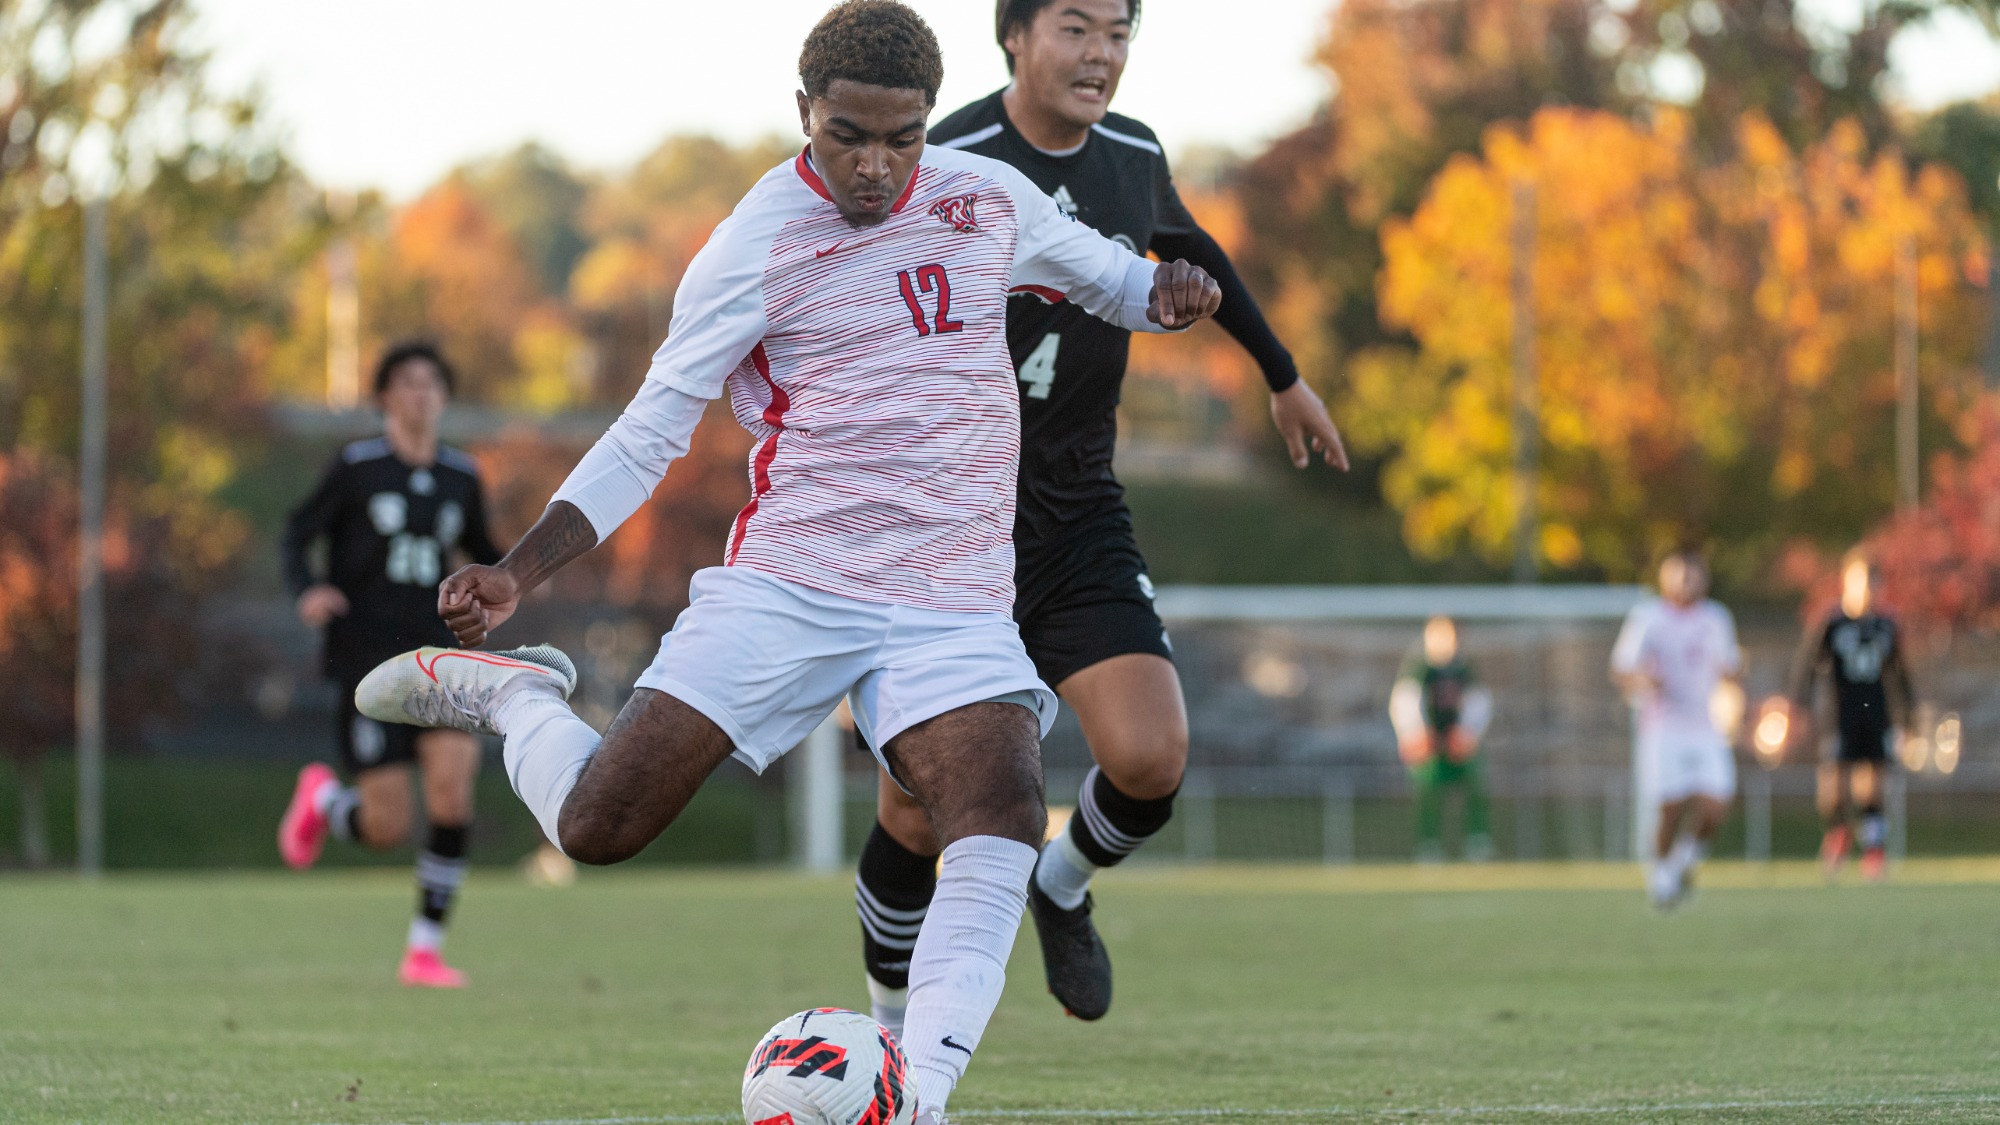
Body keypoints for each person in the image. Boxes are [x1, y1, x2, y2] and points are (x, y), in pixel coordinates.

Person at [352, 4, 1221, 1120]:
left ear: (927, 125)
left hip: (951, 592)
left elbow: (1113, 282)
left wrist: (1171, 296)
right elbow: (651, 429)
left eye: (900, 138)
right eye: (846, 135)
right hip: (792, 581)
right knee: (597, 830)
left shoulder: (984, 197)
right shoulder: (753, 244)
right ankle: (521, 706)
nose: (873, 165)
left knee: (1000, 813)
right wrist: (520, 570)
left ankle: (919, 1097)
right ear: (801, 111)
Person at [852, 0, 1349, 1034]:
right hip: (947, 530)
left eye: (1118, 33)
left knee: (1149, 759)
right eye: (1075, 28)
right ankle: (883, 1033)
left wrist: (1281, 375)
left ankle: (1060, 885)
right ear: (1015, 39)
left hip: (1076, 514)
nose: (1100, 54)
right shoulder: (945, 162)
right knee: (916, 806)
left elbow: (1187, 241)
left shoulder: (1130, 153)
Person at [275, 340, 502, 987]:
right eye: (407, 382)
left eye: (432, 382)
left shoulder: (463, 475)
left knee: (454, 789)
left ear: (444, 397)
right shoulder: (356, 466)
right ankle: (325, 799)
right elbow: (297, 531)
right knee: (386, 825)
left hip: (437, 662)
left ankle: (424, 949)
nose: (421, 393)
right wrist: (308, 587)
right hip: (366, 663)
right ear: (384, 398)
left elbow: (486, 550)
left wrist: (510, 580)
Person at [1611, 551, 1743, 911]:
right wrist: (1644, 679)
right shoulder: (1649, 617)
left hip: (1705, 725)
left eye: (1693, 575)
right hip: (1663, 725)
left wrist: (1736, 684)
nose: (1687, 582)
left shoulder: (1716, 617)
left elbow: (1728, 668)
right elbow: (1622, 668)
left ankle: (1681, 864)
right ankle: (1661, 878)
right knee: (1669, 807)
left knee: (1716, 803)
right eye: (1679, 575)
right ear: (1665, 579)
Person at [1789, 551, 1916, 882]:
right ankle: (1839, 832)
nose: (1868, 591)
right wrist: (1798, 709)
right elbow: (1806, 668)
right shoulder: (1831, 623)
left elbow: (1900, 674)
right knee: (1835, 787)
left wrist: (1908, 720)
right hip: (1838, 713)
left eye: (1874, 584)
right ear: (1847, 584)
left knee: (1873, 785)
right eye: (1861, 583)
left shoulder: (1886, 625)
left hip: (1876, 713)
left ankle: (1874, 851)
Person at [1388, 616, 1493, 863]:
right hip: (1429, 744)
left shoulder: (1465, 670)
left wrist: (1467, 732)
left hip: (1458, 742)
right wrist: (1415, 734)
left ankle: (1477, 842)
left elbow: (1480, 703)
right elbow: (1405, 701)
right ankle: (1429, 845)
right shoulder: (1419, 669)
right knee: (1427, 793)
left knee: (1474, 787)